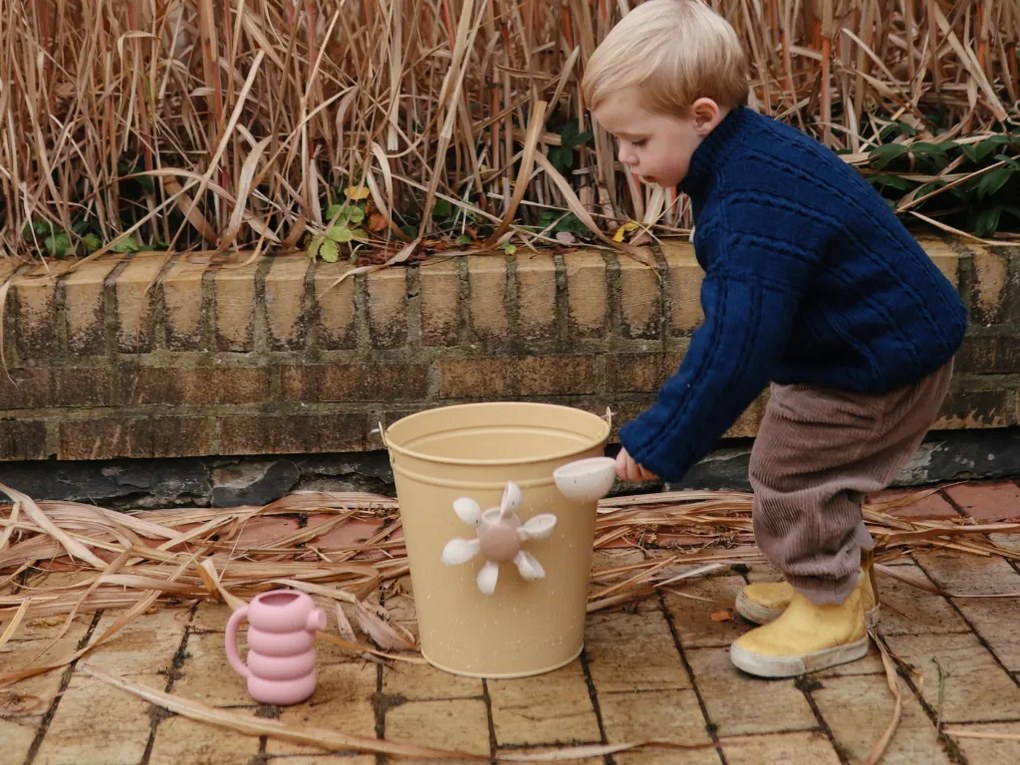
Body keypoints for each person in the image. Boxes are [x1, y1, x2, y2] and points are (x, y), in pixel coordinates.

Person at [582, 0, 967, 678]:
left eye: (638, 140)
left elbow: (737, 342)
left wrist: (657, 440)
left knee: (792, 471)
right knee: (808, 461)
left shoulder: (746, 204)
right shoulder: (745, 154)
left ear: (702, 116)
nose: (626, 158)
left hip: (875, 356)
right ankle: (841, 576)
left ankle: (830, 606)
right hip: (860, 339)